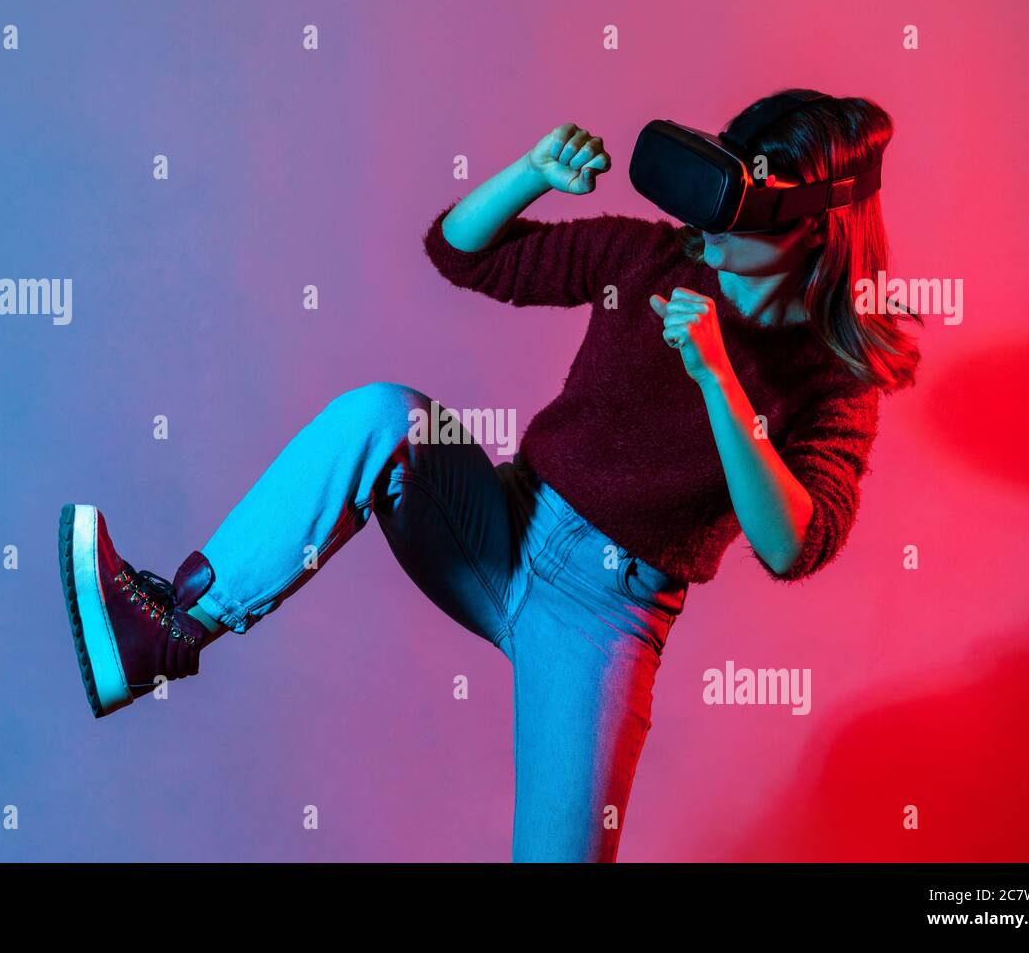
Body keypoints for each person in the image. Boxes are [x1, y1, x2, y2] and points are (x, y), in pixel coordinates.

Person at [57, 89, 921, 862]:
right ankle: (168, 631)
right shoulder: (649, 262)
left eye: (738, 215)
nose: (711, 232)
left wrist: (719, 381)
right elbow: (463, 254)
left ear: (811, 226)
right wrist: (530, 174)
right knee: (382, 414)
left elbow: (792, 546)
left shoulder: (833, 377)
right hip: (503, 527)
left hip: (605, 618)